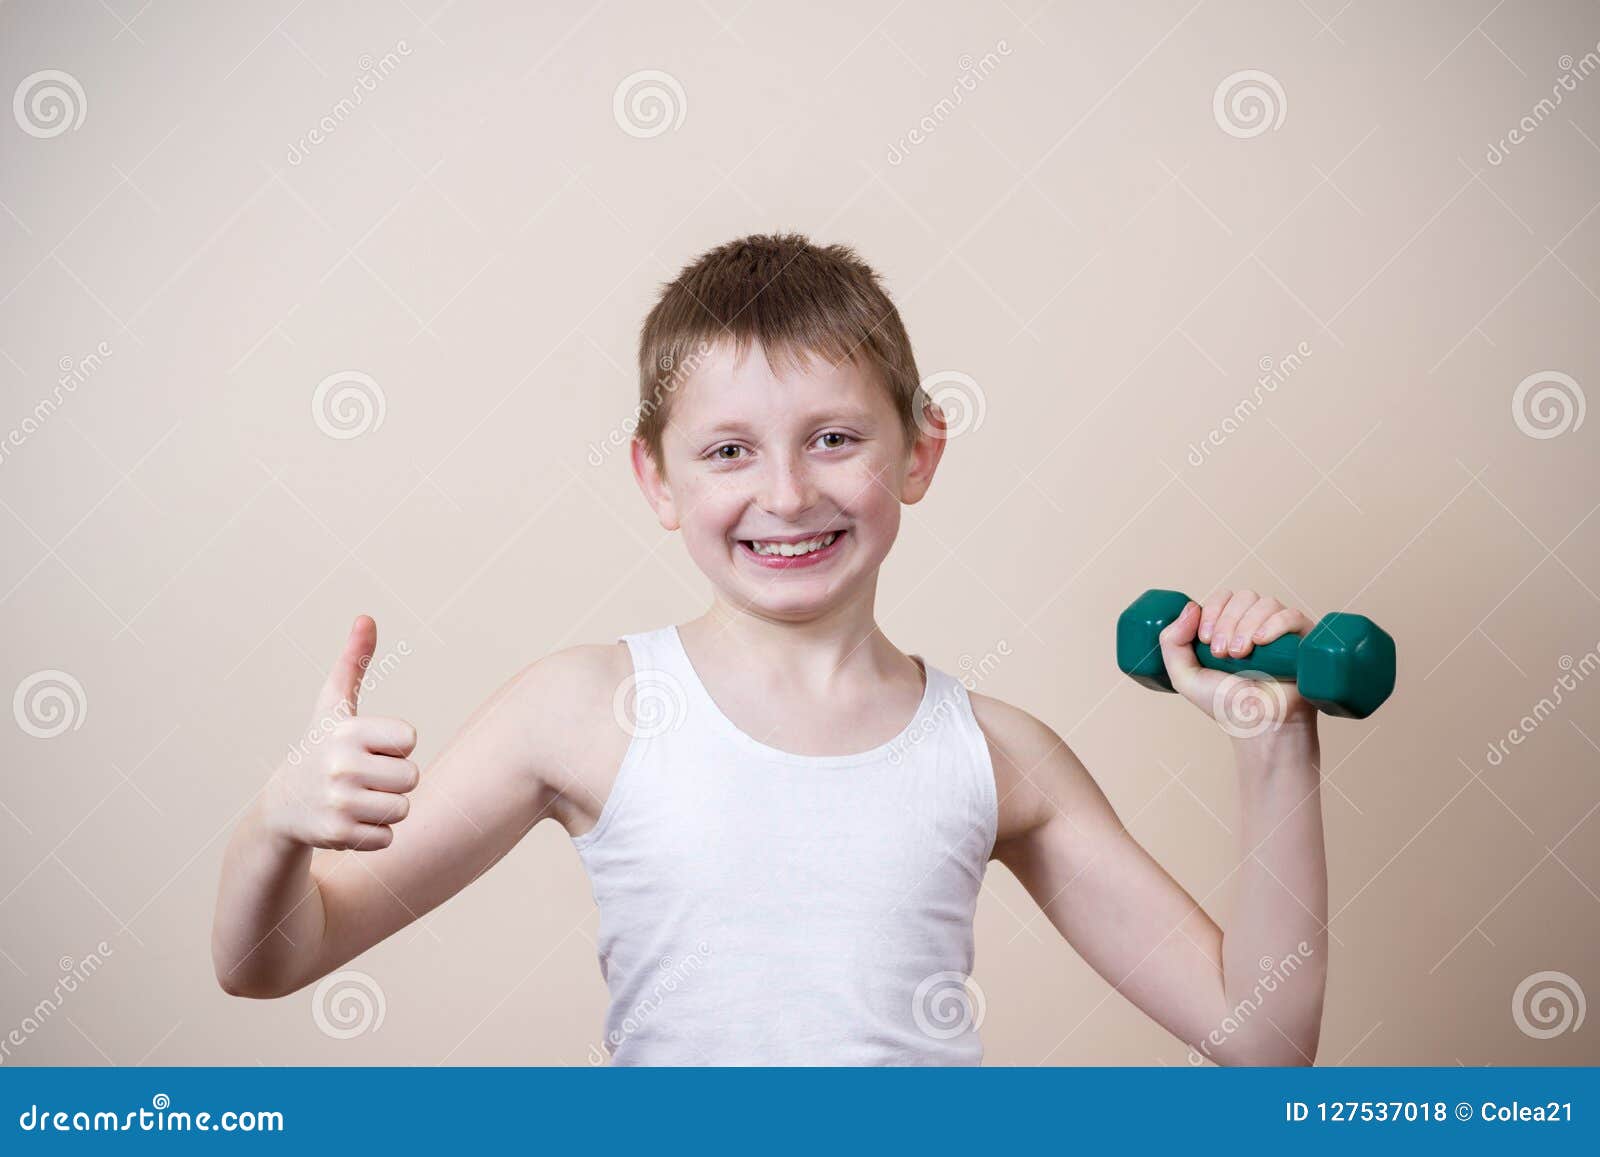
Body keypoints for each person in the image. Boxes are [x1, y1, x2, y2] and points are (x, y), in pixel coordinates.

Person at [211, 232, 1327, 1066]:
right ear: (657, 478)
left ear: (919, 451)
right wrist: (274, 826)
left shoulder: (1000, 755)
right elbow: (271, 960)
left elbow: (1263, 1037)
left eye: (833, 437)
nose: (787, 494)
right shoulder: (580, 709)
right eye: (728, 451)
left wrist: (1273, 742)